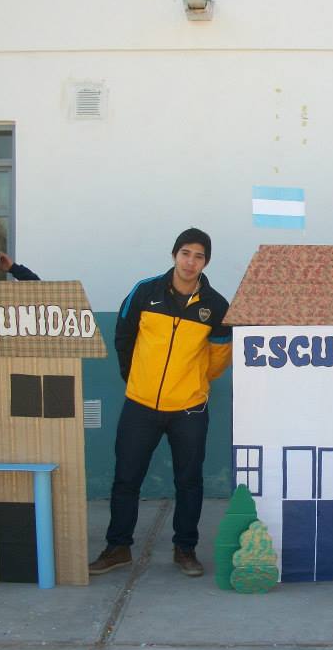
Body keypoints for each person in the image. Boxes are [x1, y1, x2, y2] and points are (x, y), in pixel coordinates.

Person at [89, 228, 232, 578]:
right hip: (141, 404)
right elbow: (123, 336)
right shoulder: (145, 291)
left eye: (198, 256)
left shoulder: (216, 305)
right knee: (126, 478)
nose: (190, 261)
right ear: (174, 255)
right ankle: (118, 547)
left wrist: (194, 382)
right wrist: (137, 379)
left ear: (206, 262)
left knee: (189, 482)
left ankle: (185, 549)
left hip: (189, 408)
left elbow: (219, 357)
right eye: (185, 253)